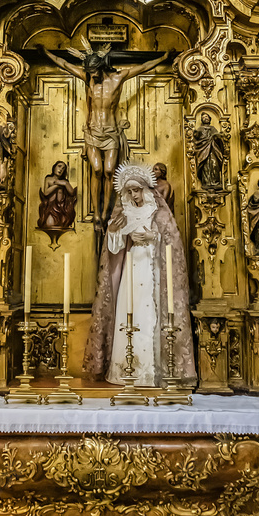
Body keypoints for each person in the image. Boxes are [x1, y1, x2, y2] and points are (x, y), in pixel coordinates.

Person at [83, 163, 196, 387]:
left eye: (137, 190)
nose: (134, 195)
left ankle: (154, 370)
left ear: (146, 188)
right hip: (132, 266)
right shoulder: (124, 211)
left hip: (153, 266)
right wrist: (115, 233)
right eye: (130, 191)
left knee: (152, 312)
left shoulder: (158, 211)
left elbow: (172, 241)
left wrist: (154, 237)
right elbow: (114, 249)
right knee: (130, 311)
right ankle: (127, 368)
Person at [41, 45, 169, 228]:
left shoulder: (118, 78)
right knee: (97, 170)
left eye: (94, 72)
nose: (92, 76)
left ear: (101, 67)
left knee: (109, 171)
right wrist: (47, 52)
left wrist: (163, 58)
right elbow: (65, 64)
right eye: (89, 72)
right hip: (93, 132)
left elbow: (143, 67)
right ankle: (96, 213)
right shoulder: (87, 77)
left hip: (110, 133)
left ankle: (105, 212)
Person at [38, 161, 77, 232]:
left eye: (63, 168)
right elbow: (46, 193)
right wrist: (57, 185)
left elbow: (72, 192)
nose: (61, 169)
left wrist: (65, 183)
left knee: (63, 223)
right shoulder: (48, 179)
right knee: (50, 224)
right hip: (51, 208)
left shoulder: (64, 182)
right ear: (54, 167)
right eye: (59, 166)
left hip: (62, 208)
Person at [193, 112, 224, 189]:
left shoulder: (213, 128)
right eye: (203, 117)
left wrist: (217, 136)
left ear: (209, 118)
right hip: (203, 150)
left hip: (213, 149)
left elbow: (218, 138)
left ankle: (215, 182)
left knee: (214, 164)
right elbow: (196, 139)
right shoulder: (200, 129)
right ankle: (206, 182)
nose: (205, 118)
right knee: (206, 167)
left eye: (206, 117)